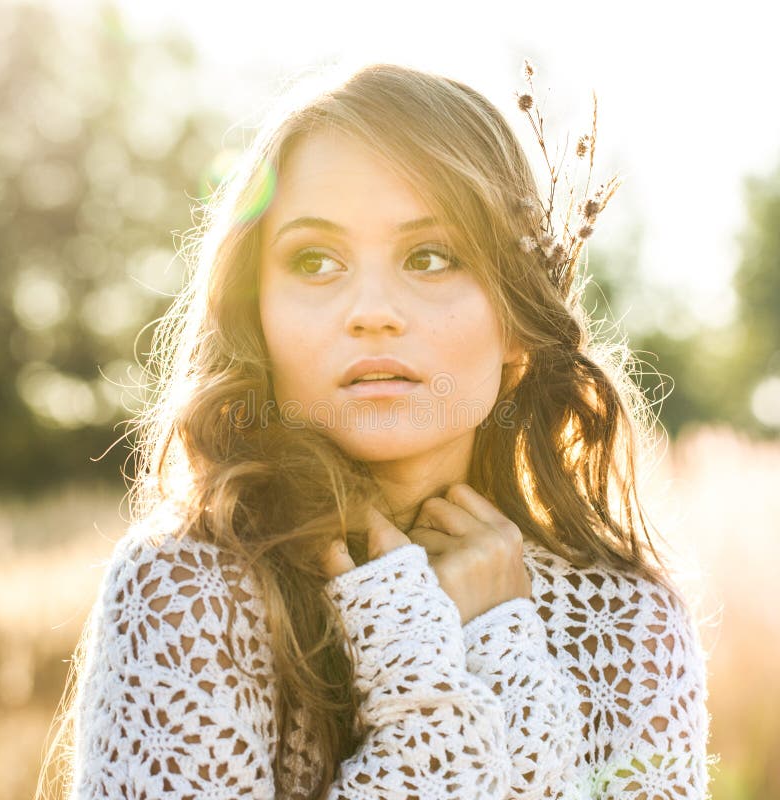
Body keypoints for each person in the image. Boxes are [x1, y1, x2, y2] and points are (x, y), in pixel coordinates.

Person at [37, 60, 714, 799]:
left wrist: (505, 645)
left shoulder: (630, 624)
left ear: (518, 320)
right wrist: (419, 680)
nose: (372, 310)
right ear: (256, 314)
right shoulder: (185, 591)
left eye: (430, 257)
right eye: (315, 260)